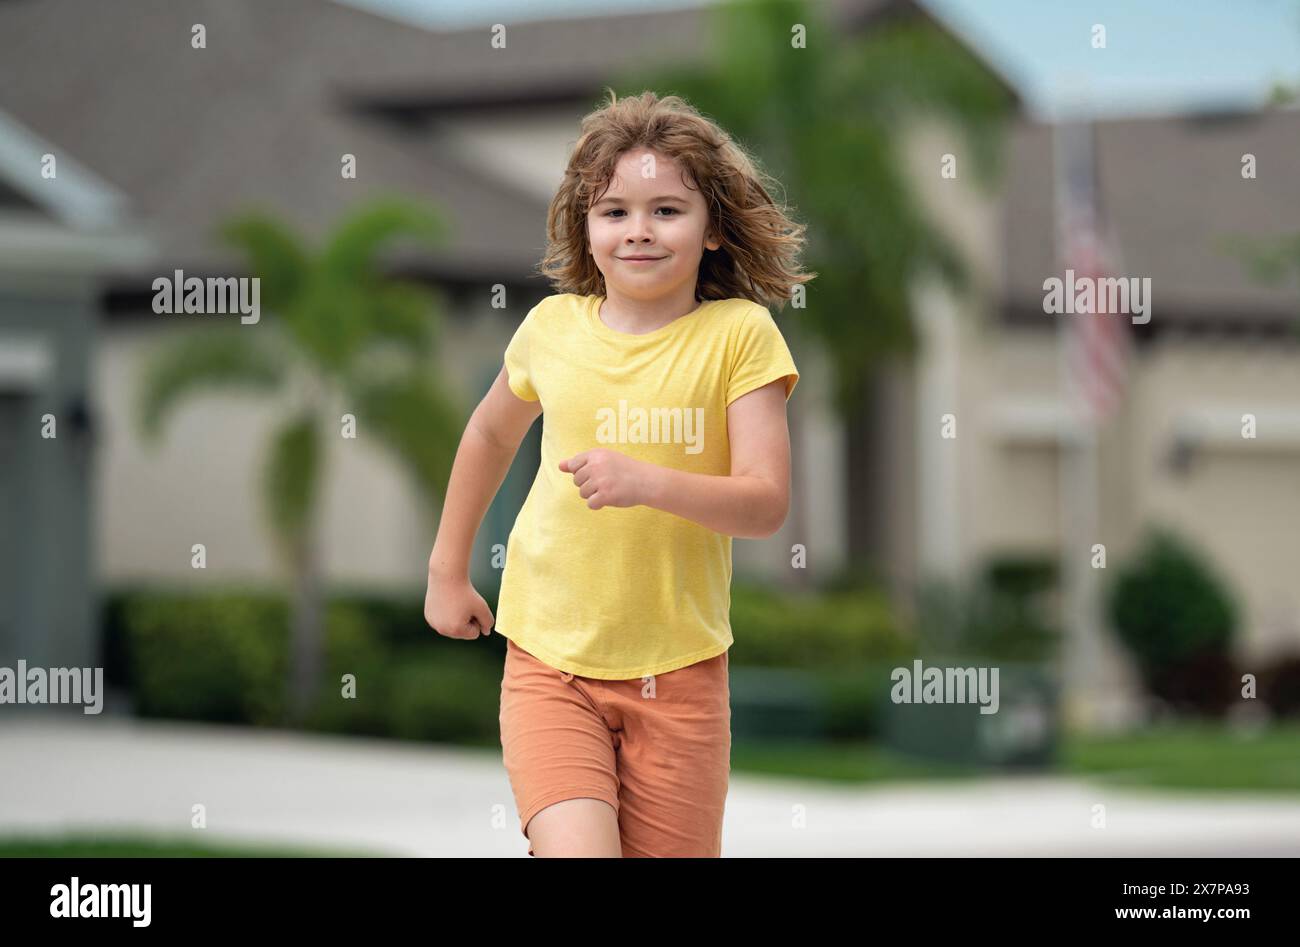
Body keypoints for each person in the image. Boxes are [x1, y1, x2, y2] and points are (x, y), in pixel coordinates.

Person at [424, 89, 814, 857]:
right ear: (585, 227)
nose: (639, 230)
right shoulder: (550, 328)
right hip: (549, 660)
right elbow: (489, 435)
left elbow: (766, 502)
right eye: (614, 211)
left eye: (667, 210)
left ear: (711, 231)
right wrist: (447, 569)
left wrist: (649, 482)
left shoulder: (740, 336)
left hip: (681, 674)